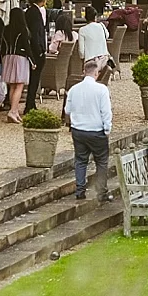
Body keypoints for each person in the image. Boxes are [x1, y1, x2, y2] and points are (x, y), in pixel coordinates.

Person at [64, 59, 113, 201]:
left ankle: (80, 190)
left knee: (80, 160)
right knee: (101, 161)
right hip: (96, 130)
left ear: (84, 72)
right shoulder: (101, 89)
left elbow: (67, 110)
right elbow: (106, 111)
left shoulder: (74, 89)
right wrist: (107, 128)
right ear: (97, 74)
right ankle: (101, 191)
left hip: (78, 130)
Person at [0, 7, 33, 123]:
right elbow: (27, 46)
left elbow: (2, 46)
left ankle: (14, 110)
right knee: (19, 85)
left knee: (12, 86)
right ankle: (13, 111)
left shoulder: (6, 29)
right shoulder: (22, 29)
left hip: (8, 57)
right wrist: (32, 60)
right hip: (20, 58)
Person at [21, 0, 49, 113]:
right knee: (34, 79)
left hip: (34, 49)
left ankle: (31, 103)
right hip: (36, 51)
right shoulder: (35, 13)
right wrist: (40, 51)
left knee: (34, 79)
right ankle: (30, 104)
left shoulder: (31, 11)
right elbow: (36, 34)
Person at [78, 11, 110, 80]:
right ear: (95, 17)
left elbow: (81, 52)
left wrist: (82, 58)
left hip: (91, 63)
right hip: (104, 60)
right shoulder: (101, 26)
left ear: (85, 18)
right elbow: (107, 36)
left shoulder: (82, 30)